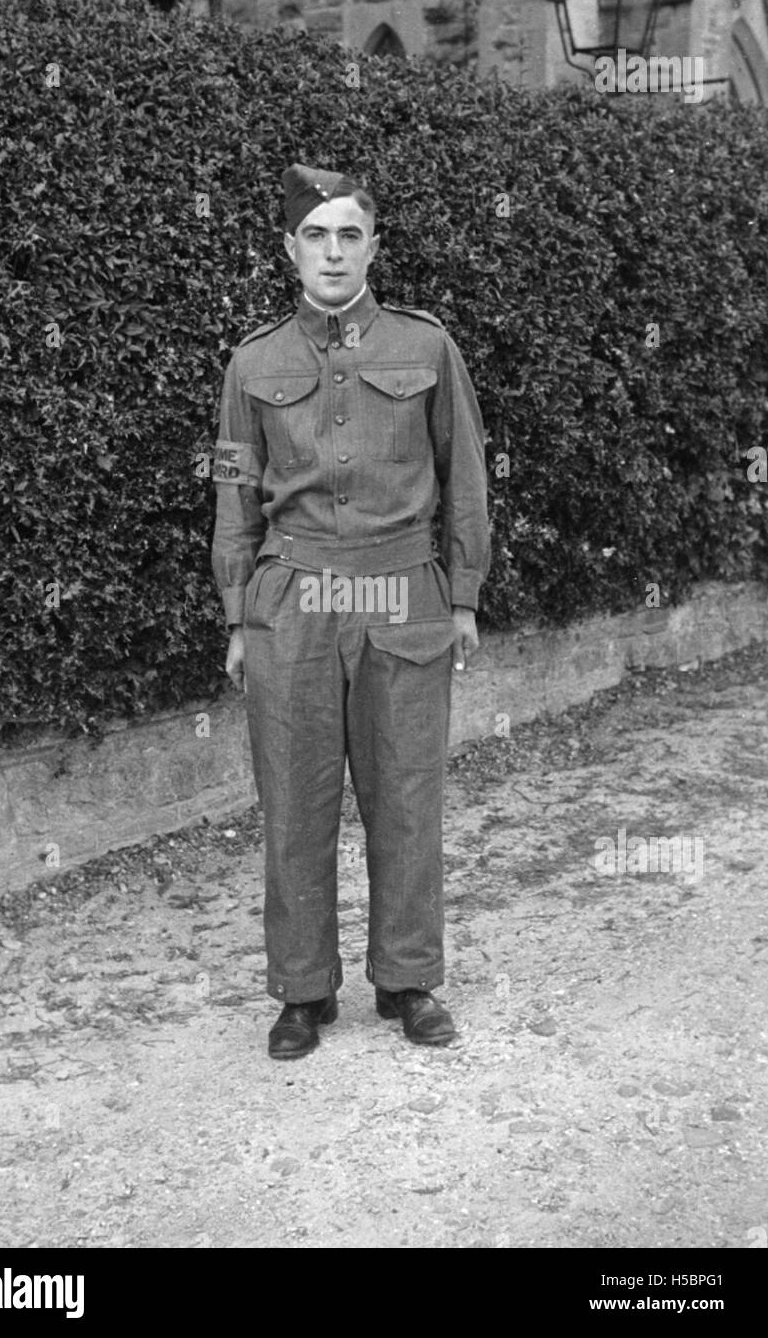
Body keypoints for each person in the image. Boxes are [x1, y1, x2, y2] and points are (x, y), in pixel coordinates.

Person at [212, 163, 490, 1060]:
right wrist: (233, 617)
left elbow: (466, 479)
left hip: (399, 593)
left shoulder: (426, 347)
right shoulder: (251, 362)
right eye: (316, 235)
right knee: (293, 800)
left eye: (349, 234)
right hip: (290, 601)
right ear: (290, 248)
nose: (332, 252)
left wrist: (463, 595)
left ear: (372, 246)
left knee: (405, 793)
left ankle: (407, 980)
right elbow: (233, 491)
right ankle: (302, 991)